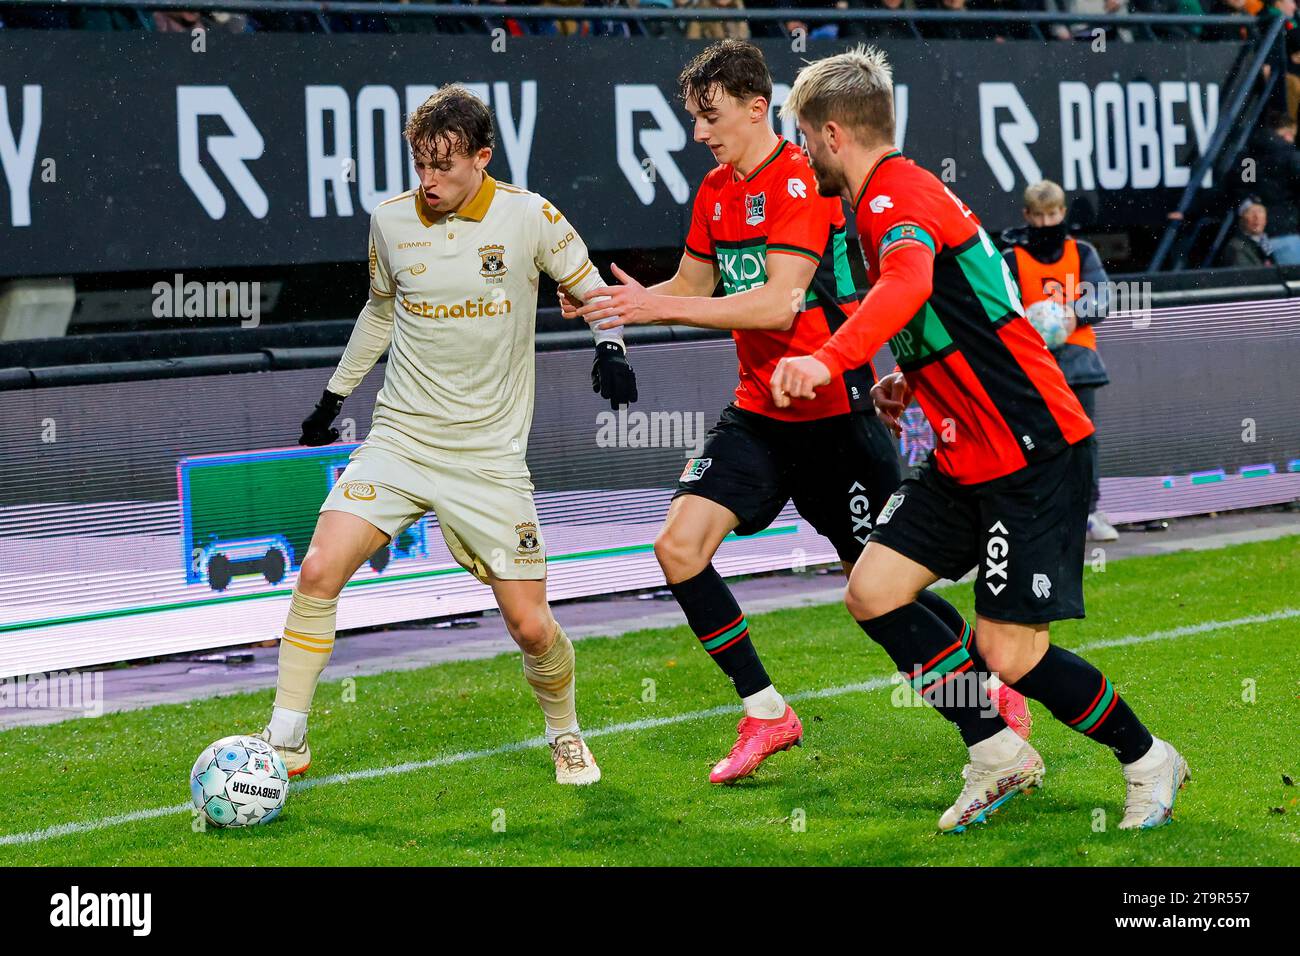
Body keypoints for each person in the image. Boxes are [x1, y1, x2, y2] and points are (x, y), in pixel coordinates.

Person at [568, 39, 1030, 786]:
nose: (699, 133)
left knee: (881, 592)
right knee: (678, 546)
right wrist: (620, 303)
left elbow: (779, 300)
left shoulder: (804, 181)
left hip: (834, 417)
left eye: (709, 116)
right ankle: (765, 711)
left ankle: (987, 694)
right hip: (760, 411)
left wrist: (656, 305)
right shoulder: (716, 190)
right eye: (693, 118)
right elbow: (692, 282)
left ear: (758, 107)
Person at [774, 44, 1188, 832]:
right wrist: (912, 379)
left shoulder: (893, 195)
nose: (800, 153)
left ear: (832, 134)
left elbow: (910, 284)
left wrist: (830, 359)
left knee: (1009, 654)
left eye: (801, 135)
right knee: (873, 590)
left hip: (1032, 447)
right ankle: (995, 752)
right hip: (966, 452)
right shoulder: (894, 197)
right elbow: (965, 310)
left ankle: (1147, 758)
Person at [255, 85, 638, 787]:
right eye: (418, 165)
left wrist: (610, 349)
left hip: (489, 460)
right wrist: (333, 396)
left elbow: (591, 292)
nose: (427, 181)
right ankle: (285, 739)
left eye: (443, 166)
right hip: (400, 440)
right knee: (317, 569)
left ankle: (567, 735)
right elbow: (379, 314)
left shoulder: (531, 217)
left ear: (482, 157)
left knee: (529, 627)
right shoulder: (390, 221)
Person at [1001, 180, 1117, 542]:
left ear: (1063, 213)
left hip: (1079, 361)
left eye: (1052, 214)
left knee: (1084, 441)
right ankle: (1037, 513)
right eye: (1038, 216)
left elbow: (1102, 299)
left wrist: (1072, 316)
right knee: (1034, 439)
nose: (1046, 223)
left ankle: (1089, 512)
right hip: (1031, 365)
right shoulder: (1010, 259)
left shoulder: (1082, 253)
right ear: (1027, 216)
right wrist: (1029, 324)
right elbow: (1001, 309)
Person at [1220, 198, 1277, 266]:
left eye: (1260, 211)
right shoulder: (1237, 247)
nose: (1257, 217)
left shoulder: (1271, 242)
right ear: (1241, 220)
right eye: (1251, 212)